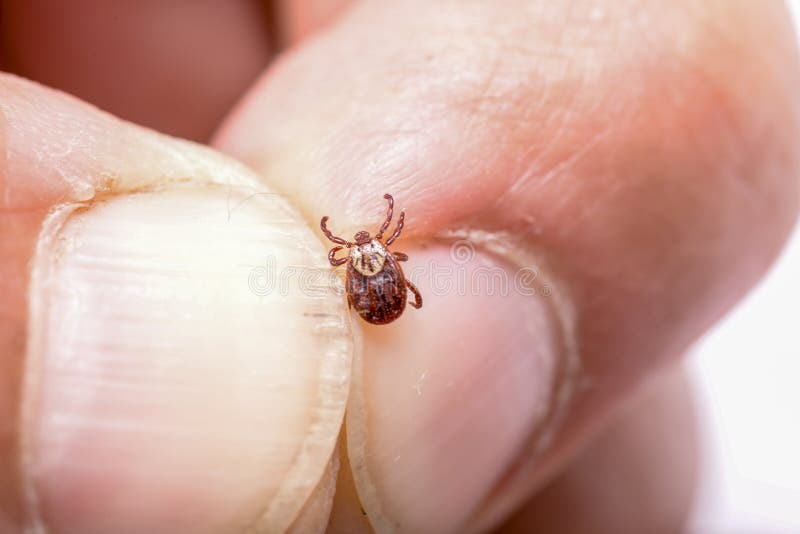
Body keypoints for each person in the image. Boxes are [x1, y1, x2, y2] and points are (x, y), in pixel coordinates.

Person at [0, 1, 798, 532]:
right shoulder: (380, 260)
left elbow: (373, 282)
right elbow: (386, 285)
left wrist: (365, 282)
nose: (373, 262)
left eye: (373, 255)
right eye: (367, 260)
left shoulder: (364, 260)